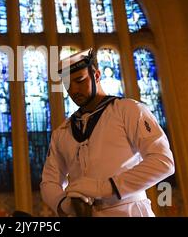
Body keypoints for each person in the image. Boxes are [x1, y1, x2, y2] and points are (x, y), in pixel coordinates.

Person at [40, 48, 174, 217]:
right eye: (67, 84)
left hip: (130, 211)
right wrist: (63, 205)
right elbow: (49, 181)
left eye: (80, 81)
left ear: (96, 75)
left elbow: (163, 162)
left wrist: (104, 188)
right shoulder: (62, 133)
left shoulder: (129, 110)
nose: (73, 90)